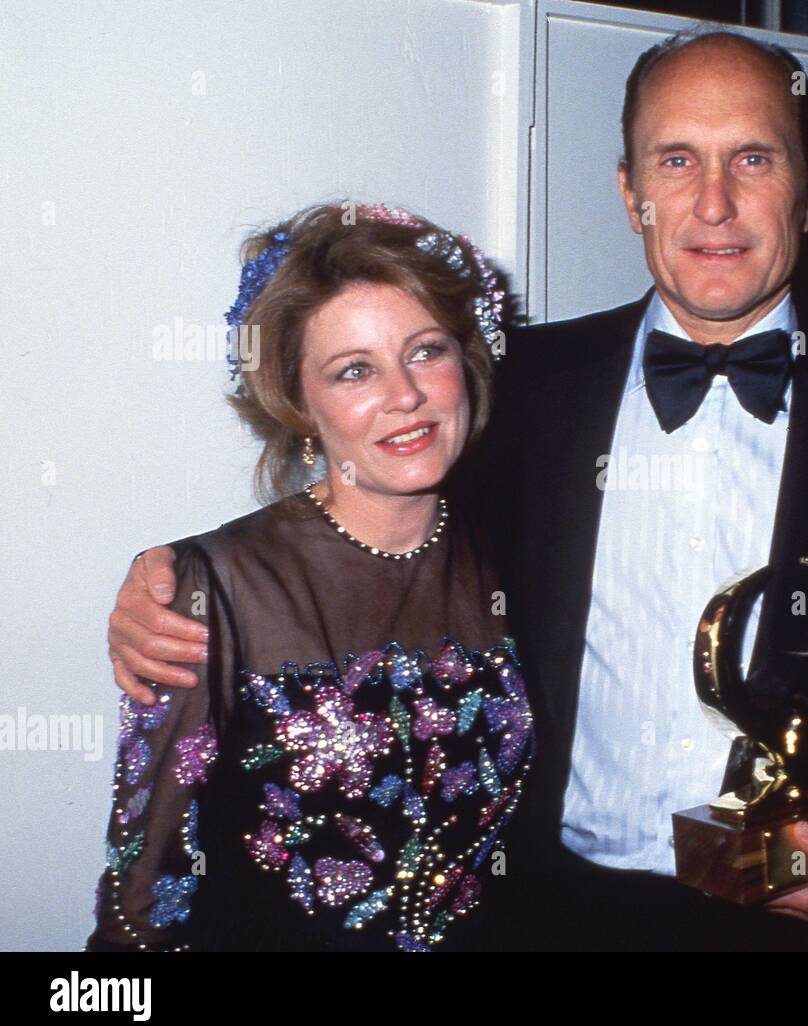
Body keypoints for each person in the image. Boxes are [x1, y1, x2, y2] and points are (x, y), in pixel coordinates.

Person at [107, 31, 808, 950]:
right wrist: (169, 589)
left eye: (756, 160)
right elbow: (366, 533)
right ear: (629, 192)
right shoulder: (511, 392)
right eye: (677, 160)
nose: (716, 205)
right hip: (551, 921)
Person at [87, 202, 534, 951]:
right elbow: (142, 903)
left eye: (426, 351)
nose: (405, 394)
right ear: (298, 402)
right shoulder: (213, 588)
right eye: (354, 369)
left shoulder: (518, 552)